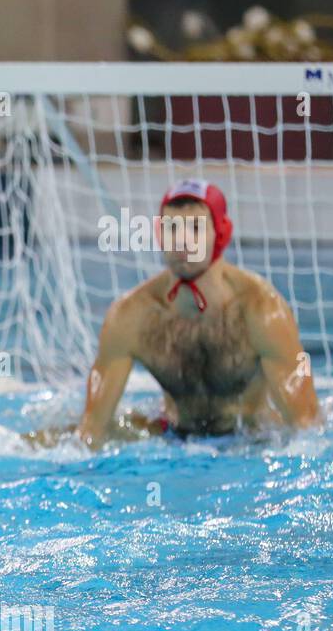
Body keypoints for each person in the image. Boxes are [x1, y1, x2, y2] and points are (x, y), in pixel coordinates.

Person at [77, 179, 320, 448]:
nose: (182, 241)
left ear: (221, 233)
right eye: (172, 229)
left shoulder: (262, 311)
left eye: (195, 228)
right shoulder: (130, 316)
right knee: (40, 440)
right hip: (171, 439)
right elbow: (90, 434)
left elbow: (307, 428)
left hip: (250, 443)